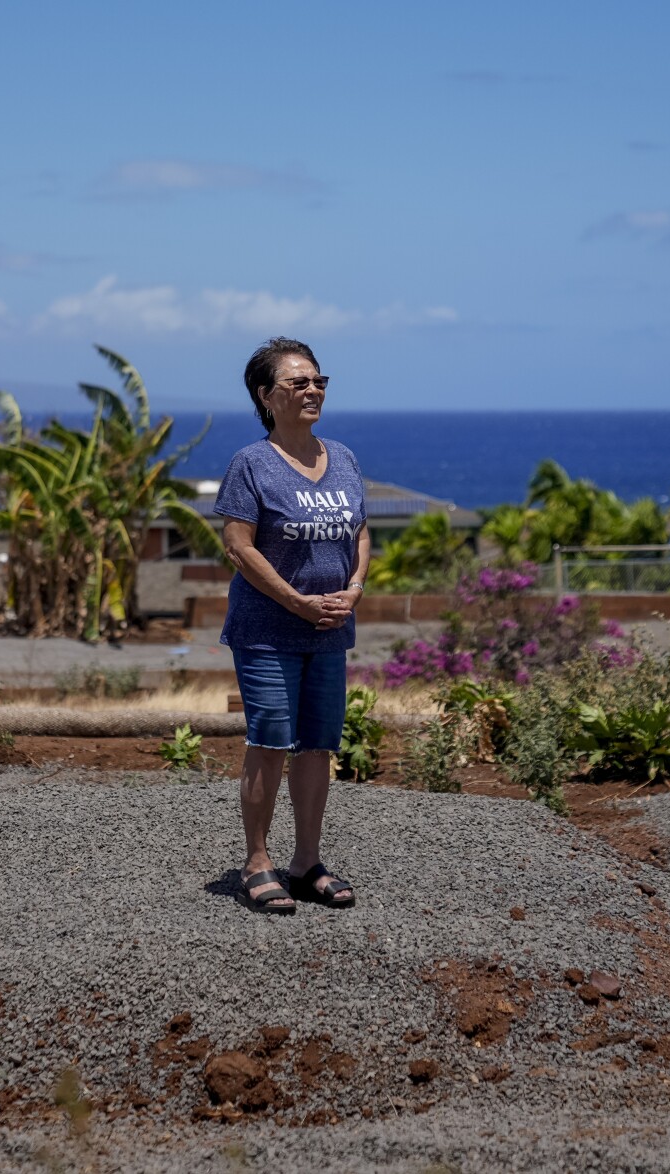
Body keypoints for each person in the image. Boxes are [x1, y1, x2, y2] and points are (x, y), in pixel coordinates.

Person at [212, 337, 369, 914]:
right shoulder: (251, 464)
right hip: (268, 632)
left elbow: (359, 532)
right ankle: (257, 863)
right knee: (271, 741)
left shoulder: (344, 458)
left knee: (317, 745)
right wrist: (298, 602)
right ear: (266, 395)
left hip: (330, 630)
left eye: (318, 381)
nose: (312, 390)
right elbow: (239, 547)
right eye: (297, 382)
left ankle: (306, 861)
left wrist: (352, 590)